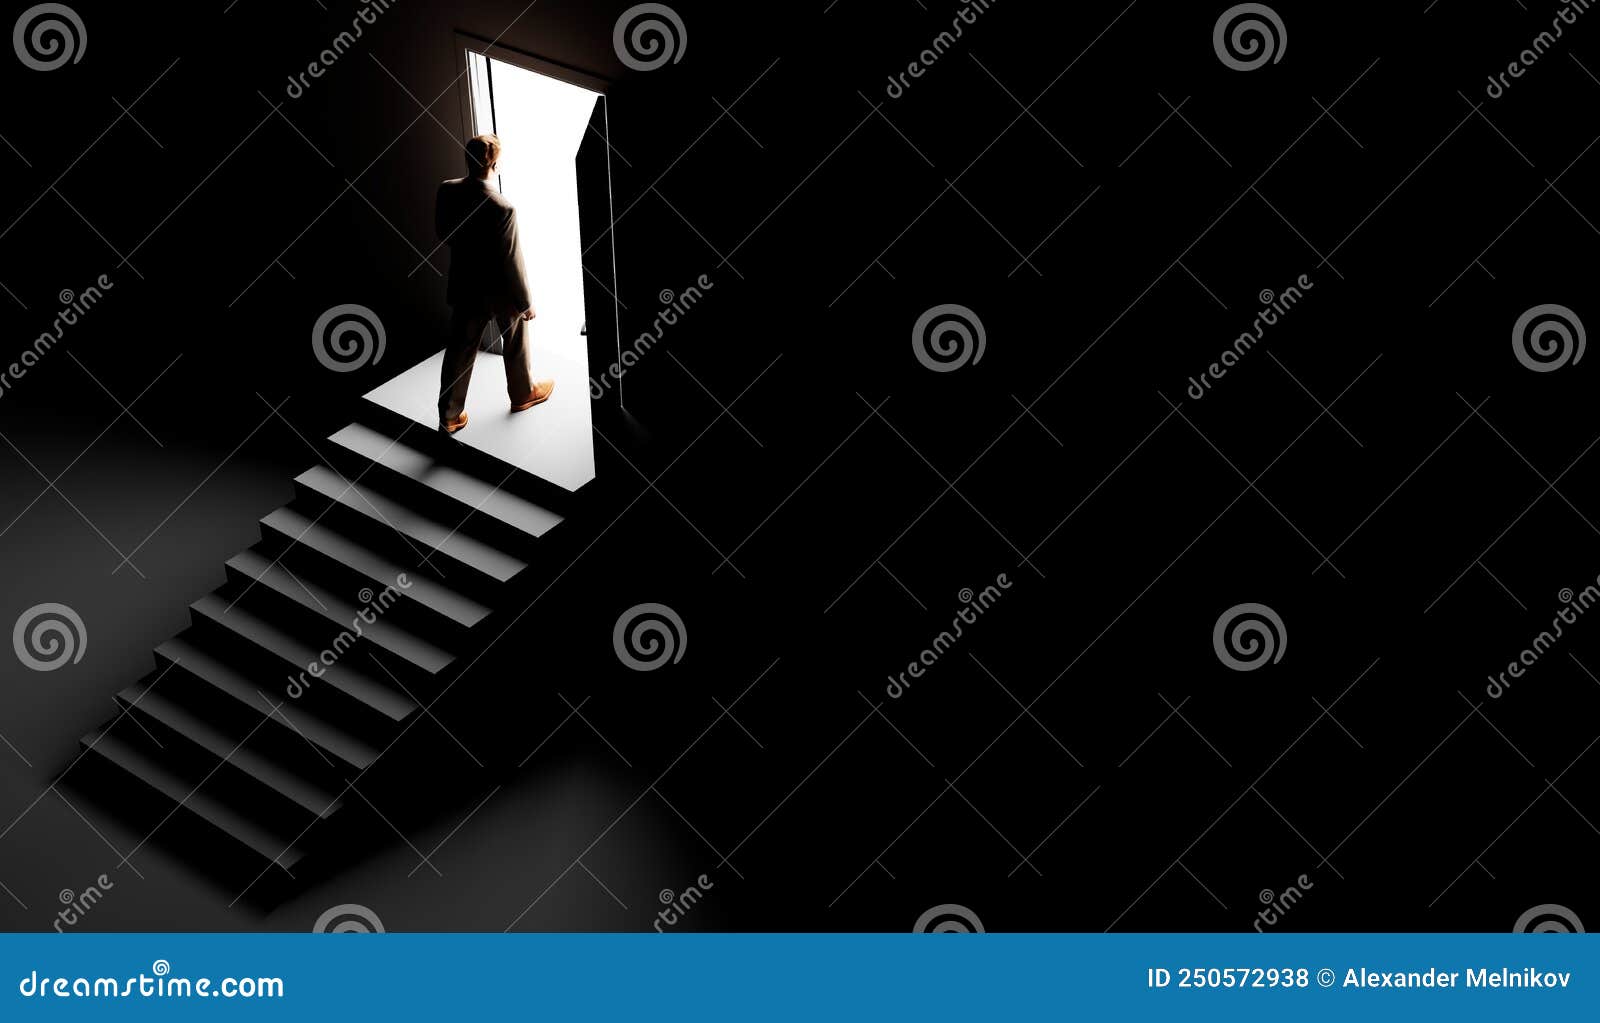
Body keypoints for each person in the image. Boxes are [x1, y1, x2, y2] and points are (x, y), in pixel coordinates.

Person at [434, 133, 554, 434]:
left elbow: (444, 233)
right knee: (515, 342)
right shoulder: (502, 208)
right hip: (500, 292)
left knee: (460, 348)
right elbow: (512, 261)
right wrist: (526, 303)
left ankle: (449, 415)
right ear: (495, 165)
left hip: (465, 285)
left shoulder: (447, 190)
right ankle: (523, 393)